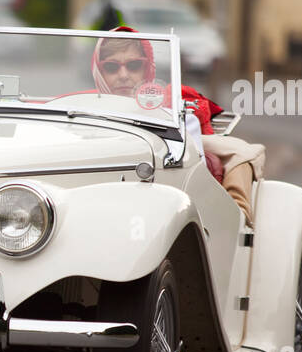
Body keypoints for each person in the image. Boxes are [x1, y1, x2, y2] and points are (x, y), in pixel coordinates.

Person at [92, 27, 264, 225]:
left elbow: (190, 176)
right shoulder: (79, 111)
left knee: (239, 153)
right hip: (99, 210)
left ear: (146, 68)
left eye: (133, 65)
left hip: (164, 211)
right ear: (99, 70)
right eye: (112, 67)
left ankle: (240, 219)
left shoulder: (173, 113)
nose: (123, 75)